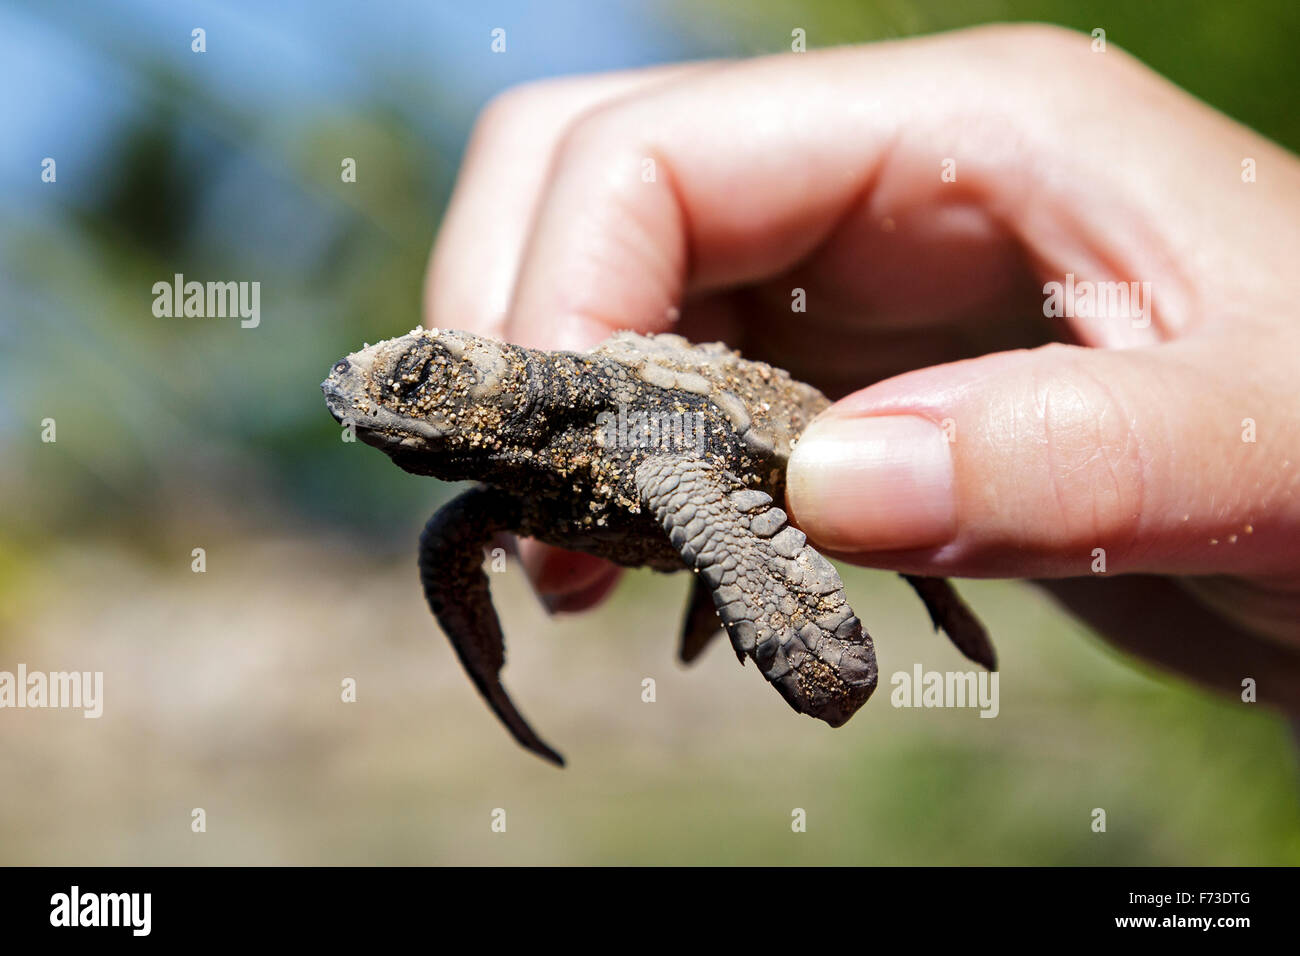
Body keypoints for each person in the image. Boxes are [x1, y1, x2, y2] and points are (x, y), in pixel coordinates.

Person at [422, 25, 1300, 710]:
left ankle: (927, 599)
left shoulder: (640, 429)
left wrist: (805, 641)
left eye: (419, 380)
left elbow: (704, 487)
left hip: (744, 433)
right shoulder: (499, 499)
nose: (368, 400)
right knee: (448, 546)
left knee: (716, 514)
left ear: (495, 385)